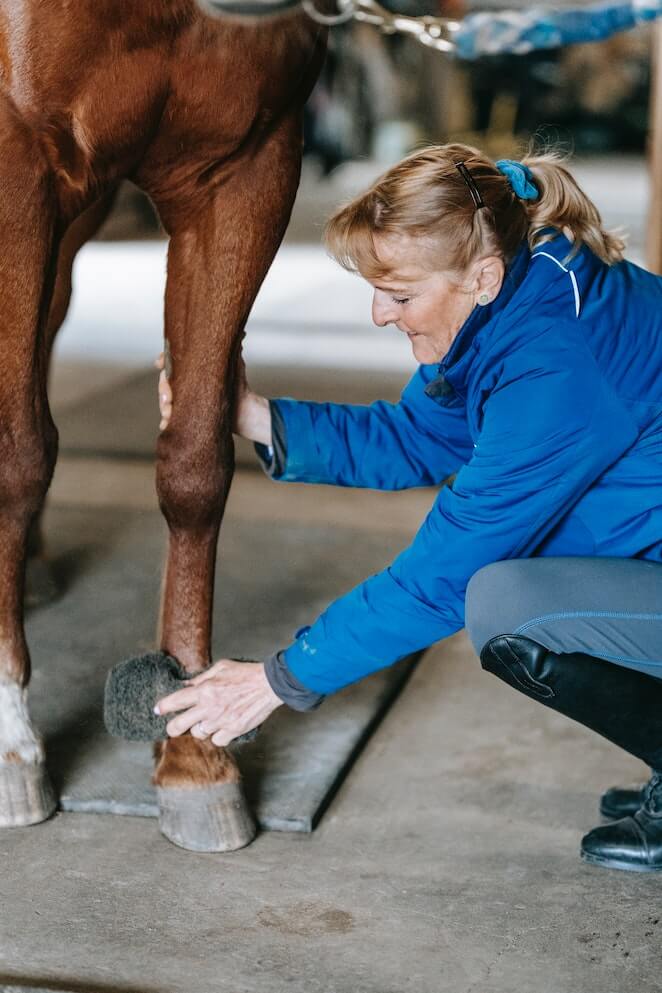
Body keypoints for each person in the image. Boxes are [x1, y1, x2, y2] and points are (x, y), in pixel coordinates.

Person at [154, 142, 662, 873]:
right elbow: (418, 436)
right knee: (522, 570)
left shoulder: (554, 363)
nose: (377, 313)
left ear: (479, 277)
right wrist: (254, 415)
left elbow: (441, 575)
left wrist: (278, 678)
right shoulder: (513, 297)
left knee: (504, 600)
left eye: (398, 294)